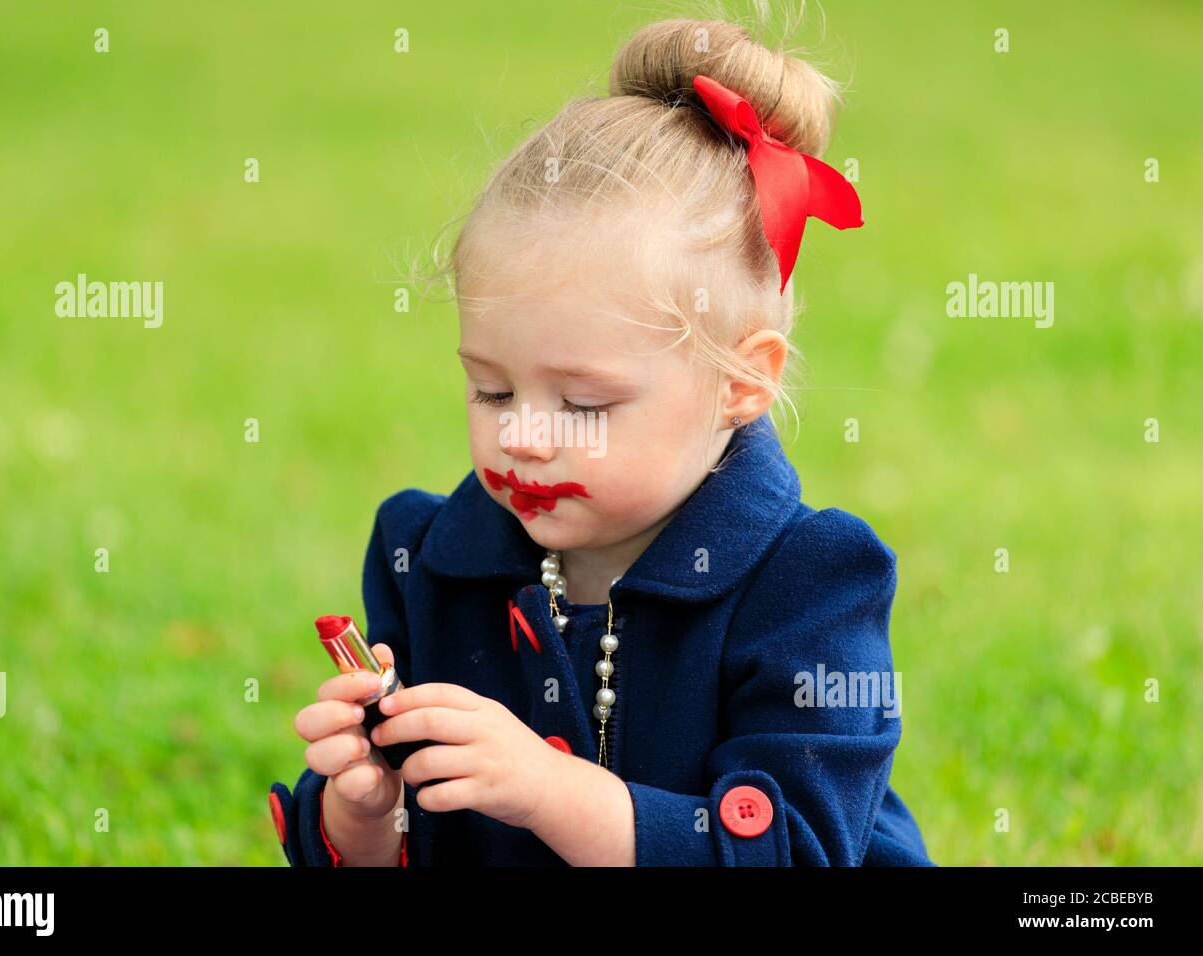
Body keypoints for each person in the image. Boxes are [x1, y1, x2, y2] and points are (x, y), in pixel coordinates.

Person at [268, 14, 934, 867]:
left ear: (741, 383)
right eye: (491, 389)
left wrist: (554, 793)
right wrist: (365, 816)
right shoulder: (429, 561)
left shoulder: (810, 586)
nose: (525, 436)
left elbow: (799, 848)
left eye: (583, 404)